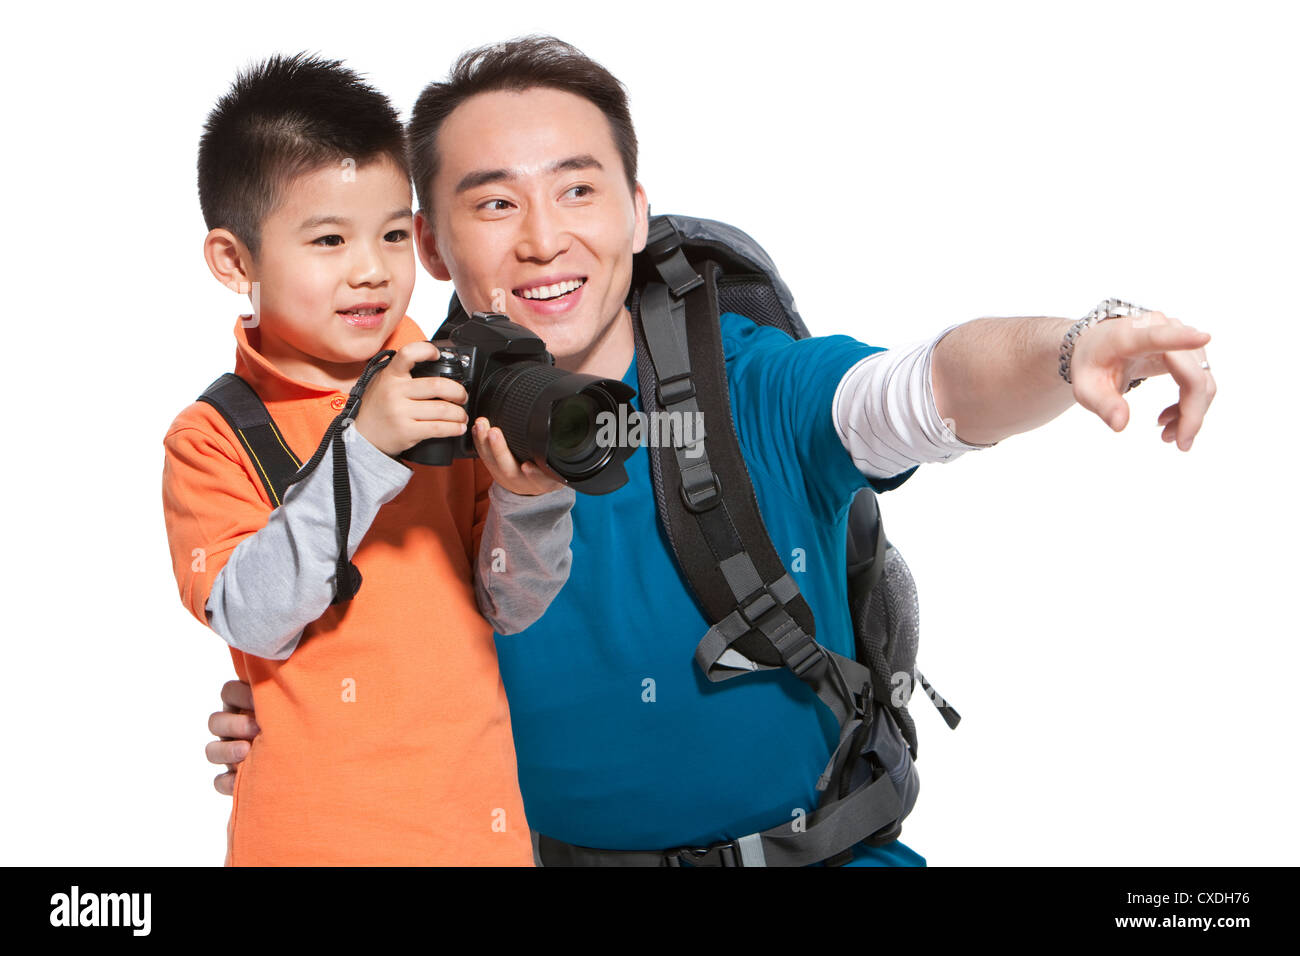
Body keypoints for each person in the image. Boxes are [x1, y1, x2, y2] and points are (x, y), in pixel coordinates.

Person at [206, 37, 1215, 866]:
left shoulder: (749, 388)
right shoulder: (400, 450)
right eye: (495, 202)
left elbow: (933, 385)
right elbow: (356, 669)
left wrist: (1072, 342)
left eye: (579, 191)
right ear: (431, 244)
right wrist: (290, 724)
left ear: (637, 213)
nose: (544, 239)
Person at [164, 52, 576, 865]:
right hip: (309, 842)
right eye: (327, 238)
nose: (370, 270)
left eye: (393, 234)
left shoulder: (445, 383)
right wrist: (364, 447)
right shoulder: (212, 434)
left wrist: (531, 502)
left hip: (479, 837)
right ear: (233, 261)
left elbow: (512, 605)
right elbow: (251, 614)